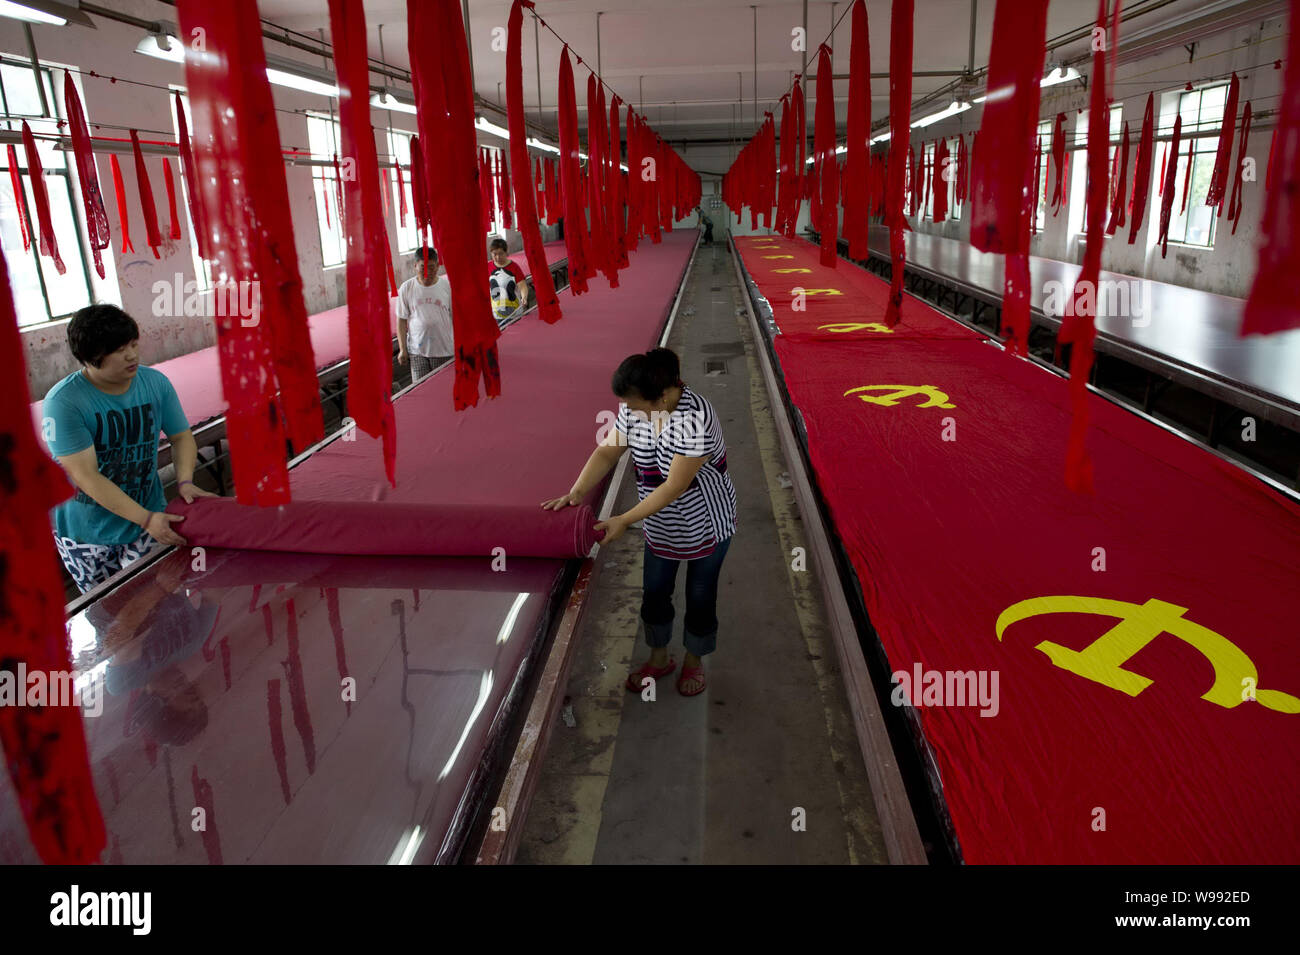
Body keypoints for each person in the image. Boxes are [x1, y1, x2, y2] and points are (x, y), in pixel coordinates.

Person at [542, 348, 737, 696]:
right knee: (656, 592)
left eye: (632, 405)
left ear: (662, 397)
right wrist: (576, 492)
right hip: (661, 524)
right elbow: (608, 450)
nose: (627, 412)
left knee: (700, 593)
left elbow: (675, 485)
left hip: (705, 522)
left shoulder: (695, 419)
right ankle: (660, 657)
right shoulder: (637, 406)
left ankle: (694, 660)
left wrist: (622, 520)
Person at [43, 304, 216, 594]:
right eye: (120, 349)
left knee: (160, 600)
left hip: (146, 513)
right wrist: (146, 519)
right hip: (85, 531)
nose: (132, 355)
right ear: (92, 357)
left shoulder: (155, 383)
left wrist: (185, 481)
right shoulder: (64, 403)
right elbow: (86, 476)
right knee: (111, 616)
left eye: (134, 344)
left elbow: (181, 437)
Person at [396, 245, 454, 382]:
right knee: (421, 391)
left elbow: (457, 317)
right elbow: (401, 320)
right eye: (423, 267)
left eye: (432, 267)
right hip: (417, 351)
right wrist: (402, 348)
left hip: (444, 349)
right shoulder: (406, 288)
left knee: (443, 388)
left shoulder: (447, 287)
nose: (427, 272)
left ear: (438, 266)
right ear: (415, 266)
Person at [487, 236, 530, 324]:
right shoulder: (488, 267)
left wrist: (524, 297)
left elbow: (522, 286)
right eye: (495, 254)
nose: (498, 257)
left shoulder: (514, 267)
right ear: (491, 253)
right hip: (496, 313)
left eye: (501, 253)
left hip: (515, 313)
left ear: (506, 252)